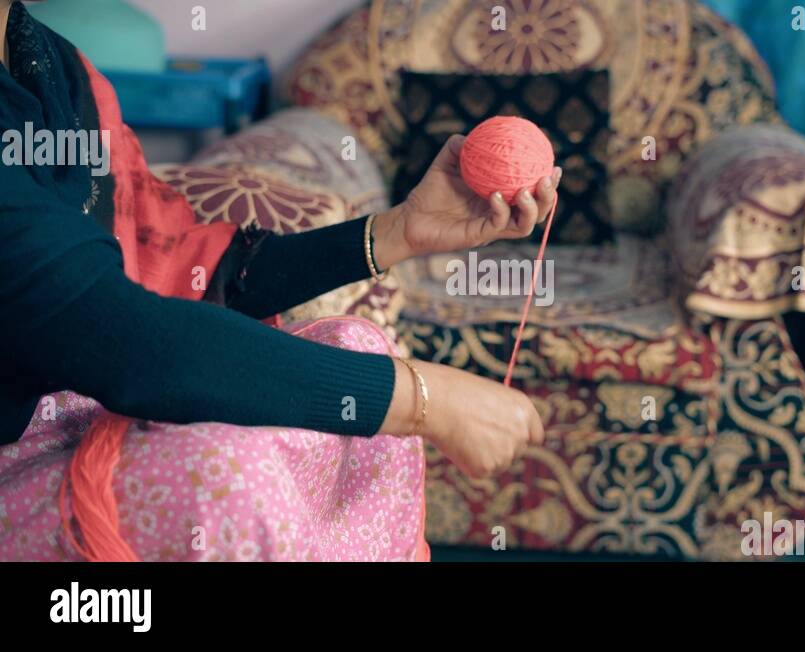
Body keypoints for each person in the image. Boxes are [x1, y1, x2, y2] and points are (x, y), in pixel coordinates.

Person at [0, 0, 560, 561]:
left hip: (89, 399)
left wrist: (400, 232)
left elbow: (185, 275)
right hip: (22, 450)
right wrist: (423, 399)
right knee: (221, 476)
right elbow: (121, 335)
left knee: (358, 344)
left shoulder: (54, 65)